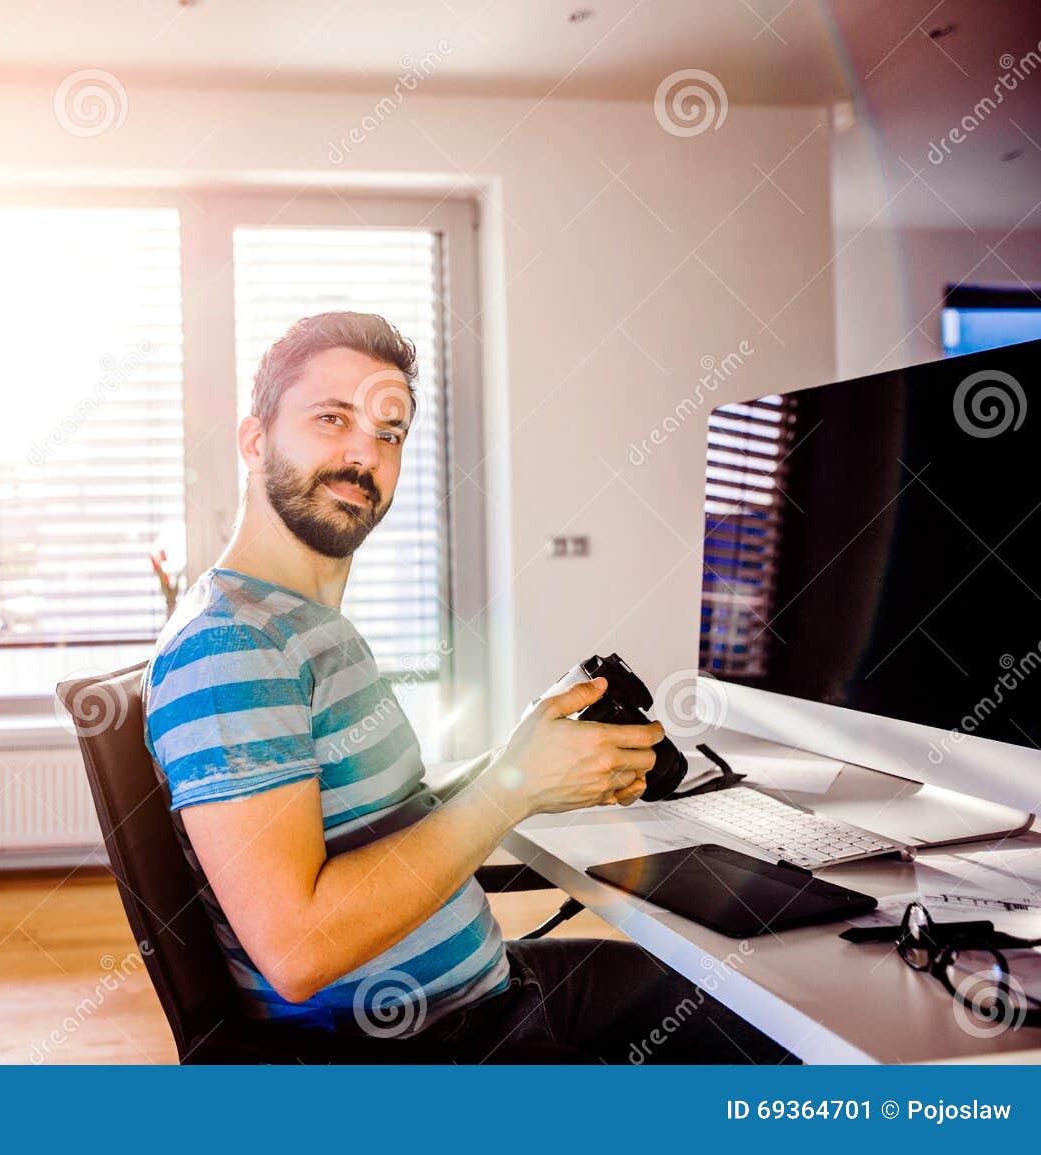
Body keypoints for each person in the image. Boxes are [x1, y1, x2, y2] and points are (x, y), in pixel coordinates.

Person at [141, 311, 791, 1063]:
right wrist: (513, 787)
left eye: (389, 433)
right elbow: (299, 948)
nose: (364, 454)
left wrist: (517, 759)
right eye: (332, 419)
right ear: (256, 441)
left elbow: (379, 822)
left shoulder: (303, 623)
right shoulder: (233, 644)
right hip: (431, 1050)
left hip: (487, 994)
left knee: (750, 1012)